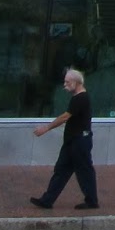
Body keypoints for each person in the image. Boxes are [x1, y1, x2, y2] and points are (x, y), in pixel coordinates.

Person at [29, 67, 99, 210]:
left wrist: (46, 128)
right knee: (61, 170)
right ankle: (47, 200)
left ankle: (92, 201)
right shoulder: (76, 98)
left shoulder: (81, 98)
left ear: (76, 82)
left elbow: (65, 117)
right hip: (72, 141)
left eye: (68, 82)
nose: (65, 85)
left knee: (84, 171)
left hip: (80, 141)